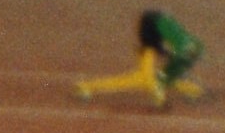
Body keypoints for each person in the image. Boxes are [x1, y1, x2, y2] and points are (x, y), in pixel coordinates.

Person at [75, 7, 204, 107]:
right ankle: (87, 86)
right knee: (148, 79)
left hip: (153, 30)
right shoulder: (184, 44)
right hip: (150, 33)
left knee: (152, 79)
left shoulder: (186, 43)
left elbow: (176, 58)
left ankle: (87, 86)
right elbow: (175, 57)